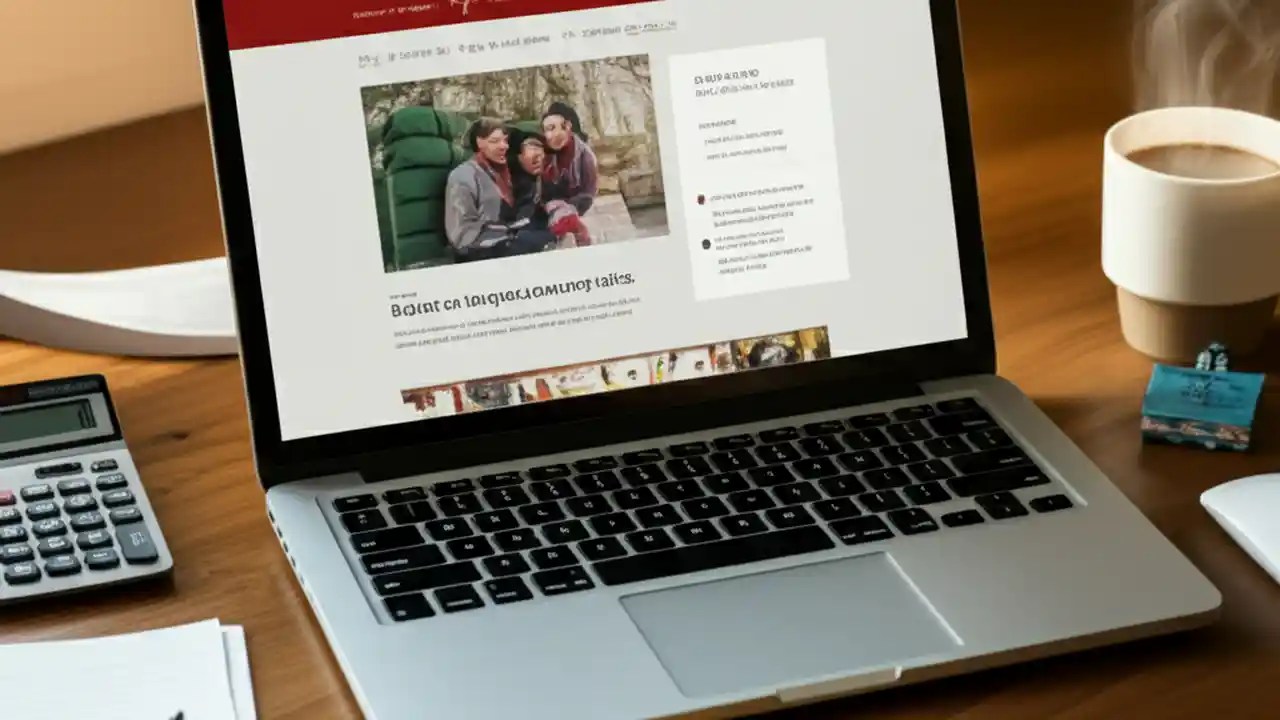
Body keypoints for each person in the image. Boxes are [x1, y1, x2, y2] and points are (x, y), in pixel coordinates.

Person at [444, 118, 553, 261]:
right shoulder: (463, 175)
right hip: (476, 251)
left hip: (505, 242)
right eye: (495, 141)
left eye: (505, 141)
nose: (504, 146)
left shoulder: (503, 174)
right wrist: (506, 237)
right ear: (479, 143)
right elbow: (461, 232)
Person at [541, 101, 599, 246]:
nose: (552, 135)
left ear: (568, 127)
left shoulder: (585, 156)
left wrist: (567, 208)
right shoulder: (543, 153)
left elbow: (589, 193)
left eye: (555, 128)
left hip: (573, 205)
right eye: (548, 129)